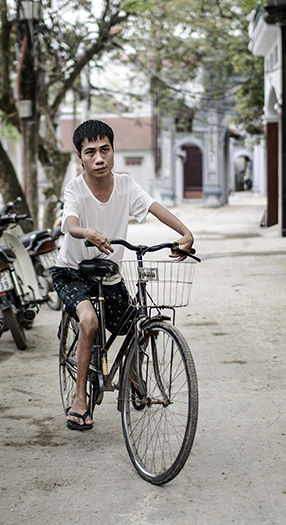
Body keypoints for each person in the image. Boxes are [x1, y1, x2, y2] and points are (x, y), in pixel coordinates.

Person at [50, 119, 194, 431]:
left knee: (134, 324)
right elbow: (70, 223)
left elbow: (155, 207)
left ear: (113, 151)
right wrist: (86, 231)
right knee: (89, 321)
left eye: (105, 149)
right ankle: (79, 399)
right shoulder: (75, 188)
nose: (99, 158)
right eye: (90, 152)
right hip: (72, 273)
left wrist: (185, 232)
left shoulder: (127, 185)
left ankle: (132, 375)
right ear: (80, 157)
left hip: (107, 273)